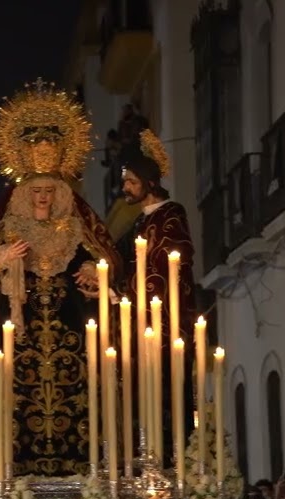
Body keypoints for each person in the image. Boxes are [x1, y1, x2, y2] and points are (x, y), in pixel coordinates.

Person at [0, 80, 122, 478]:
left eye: (50, 191)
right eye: (37, 192)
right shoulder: (3, 223)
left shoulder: (78, 223)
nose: (43, 198)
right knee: (13, 395)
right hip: (18, 331)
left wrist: (92, 272)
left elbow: (104, 260)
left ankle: (86, 467)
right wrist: (1, 260)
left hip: (71, 329)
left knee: (83, 391)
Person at [115, 128, 193, 462]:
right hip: (141, 321)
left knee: (166, 398)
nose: (125, 189)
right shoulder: (141, 222)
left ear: (148, 182)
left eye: (131, 181)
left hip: (164, 324)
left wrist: (121, 290)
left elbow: (163, 268)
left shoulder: (171, 215)